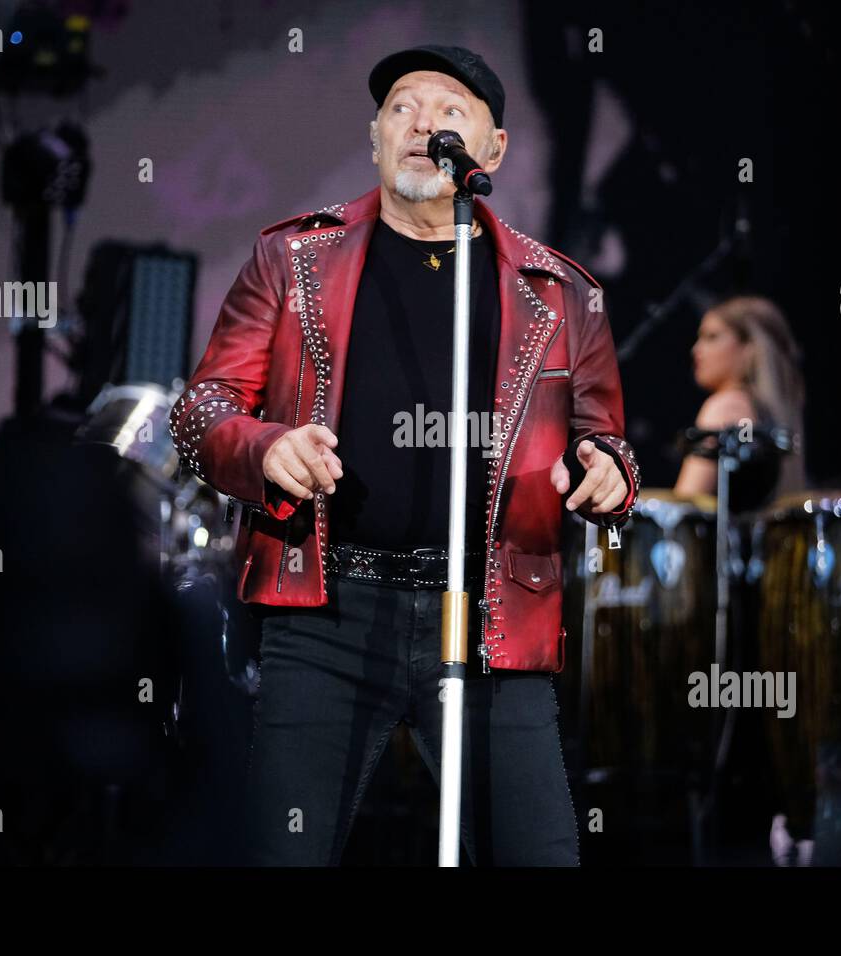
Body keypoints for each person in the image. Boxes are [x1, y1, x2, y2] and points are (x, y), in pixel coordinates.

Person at [169, 45, 640, 866]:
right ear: (377, 139)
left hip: (492, 614)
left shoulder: (562, 291)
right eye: (402, 109)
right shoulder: (291, 260)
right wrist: (267, 448)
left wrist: (605, 471)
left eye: (449, 110)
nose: (423, 122)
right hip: (326, 612)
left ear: (491, 150)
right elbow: (202, 412)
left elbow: (605, 435)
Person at [673, 295, 805, 511]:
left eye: (712, 337)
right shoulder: (767, 412)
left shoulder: (725, 406)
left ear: (749, 348)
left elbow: (686, 502)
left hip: (722, 544)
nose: (696, 349)